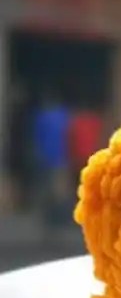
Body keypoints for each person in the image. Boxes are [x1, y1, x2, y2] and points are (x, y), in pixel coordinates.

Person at [31, 92, 72, 228]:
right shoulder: (63, 115)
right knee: (60, 189)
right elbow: (69, 136)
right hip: (61, 156)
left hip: (46, 157)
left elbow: (37, 137)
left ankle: (48, 220)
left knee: (47, 188)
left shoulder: (41, 117)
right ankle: (59, 220)